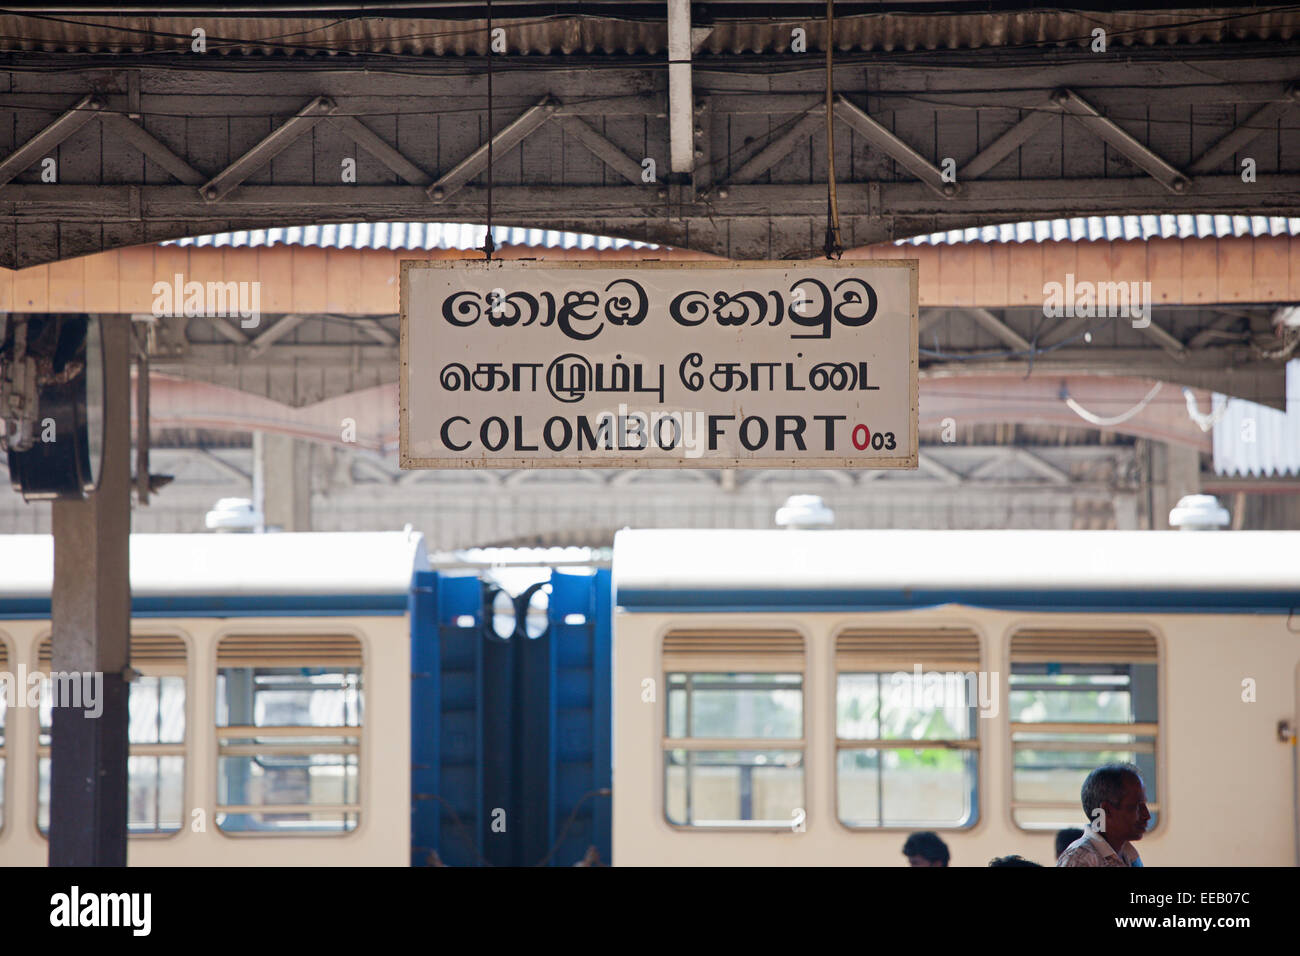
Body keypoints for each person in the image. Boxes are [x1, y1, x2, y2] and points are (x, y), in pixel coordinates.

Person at [1056, 763, 1150, 867]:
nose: (1146, 815)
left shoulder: (1128, 855)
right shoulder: (1082, 859)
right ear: (1107, 811)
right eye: (1135, 807)